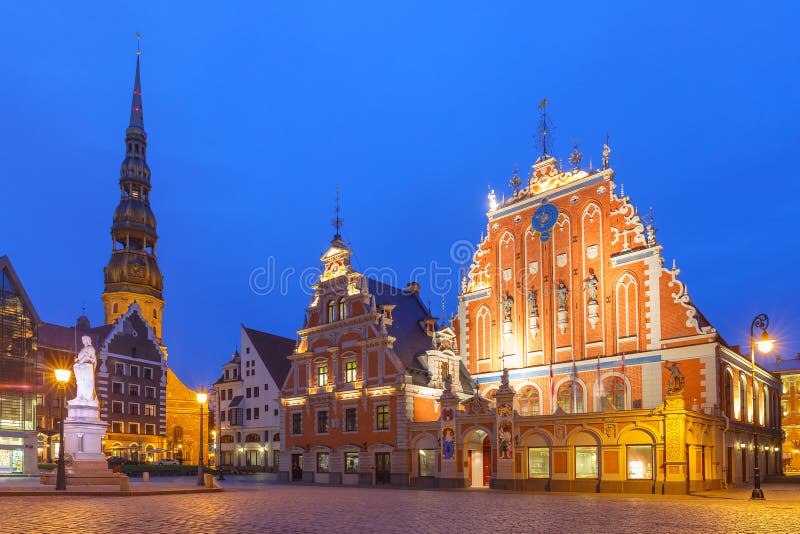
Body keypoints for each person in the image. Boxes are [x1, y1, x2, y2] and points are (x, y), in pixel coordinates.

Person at [73, 335, 97, 403]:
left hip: (86, 367)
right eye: (82, 339)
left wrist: (87, 358)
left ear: (88, 340)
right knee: (80, 382)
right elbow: (80, 357)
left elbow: (93, 358)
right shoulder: (82, 349)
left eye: (84, 339)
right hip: (81, 367)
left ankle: (87, 397)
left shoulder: (91, 348)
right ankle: (80, 396)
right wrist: (77, 359)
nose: (83, 340)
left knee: (85, 382)